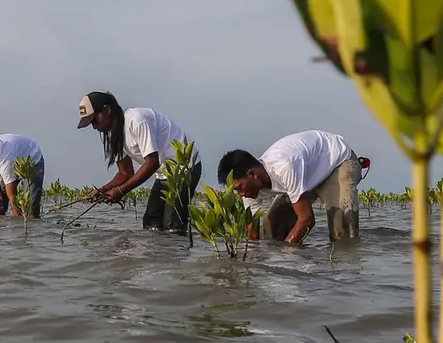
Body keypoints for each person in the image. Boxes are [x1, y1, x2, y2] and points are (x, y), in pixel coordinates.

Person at [77, 91, 201, 233]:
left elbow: (151, 162)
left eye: (94, 120)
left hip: (185, 167)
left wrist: (121, 190)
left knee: (174, 226)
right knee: (150, 222)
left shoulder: (136, 120)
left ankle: (178, 251)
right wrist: (103, 190)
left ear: (107, 110)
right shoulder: (114, 135)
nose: (94, 127)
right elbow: (125, 173)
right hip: (165, 173)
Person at [216, 132, 369, 245]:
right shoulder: (248, 191)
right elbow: (253, 236)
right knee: (271, 227)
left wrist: (287, 254)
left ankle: (347, 280)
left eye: (239, 188)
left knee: (341, 228)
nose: (240, 194)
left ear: (252, 175)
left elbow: (307, 219)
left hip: (339, 162)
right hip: (307, 174)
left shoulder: (284, 167)